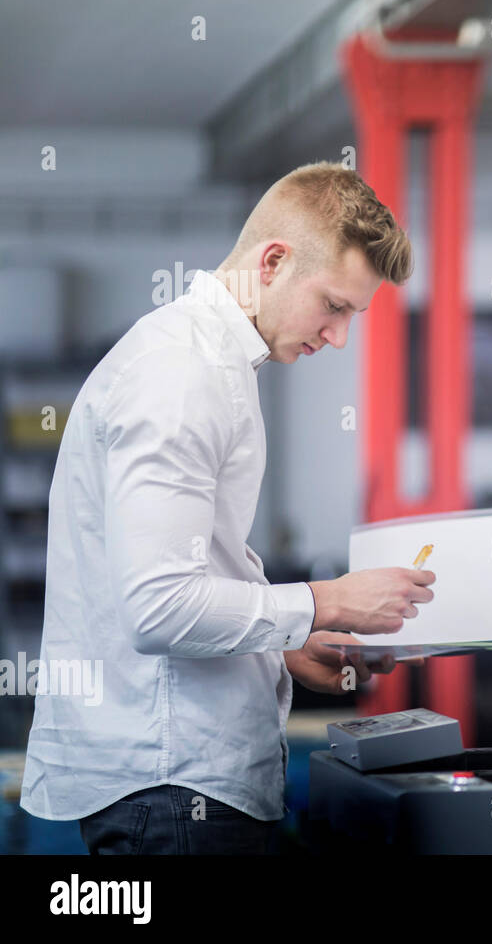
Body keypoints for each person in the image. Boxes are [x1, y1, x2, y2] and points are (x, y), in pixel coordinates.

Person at [19, 161, 436, 854]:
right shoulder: (182, 374)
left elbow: (190, 579)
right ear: (272, 262)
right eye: (333, 305)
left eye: (352, 316)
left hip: (180, 783)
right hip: (175, 789)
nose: (339, 337)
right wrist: (324, 601)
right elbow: (159, 607)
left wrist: (280, 643)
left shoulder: (207, 363)